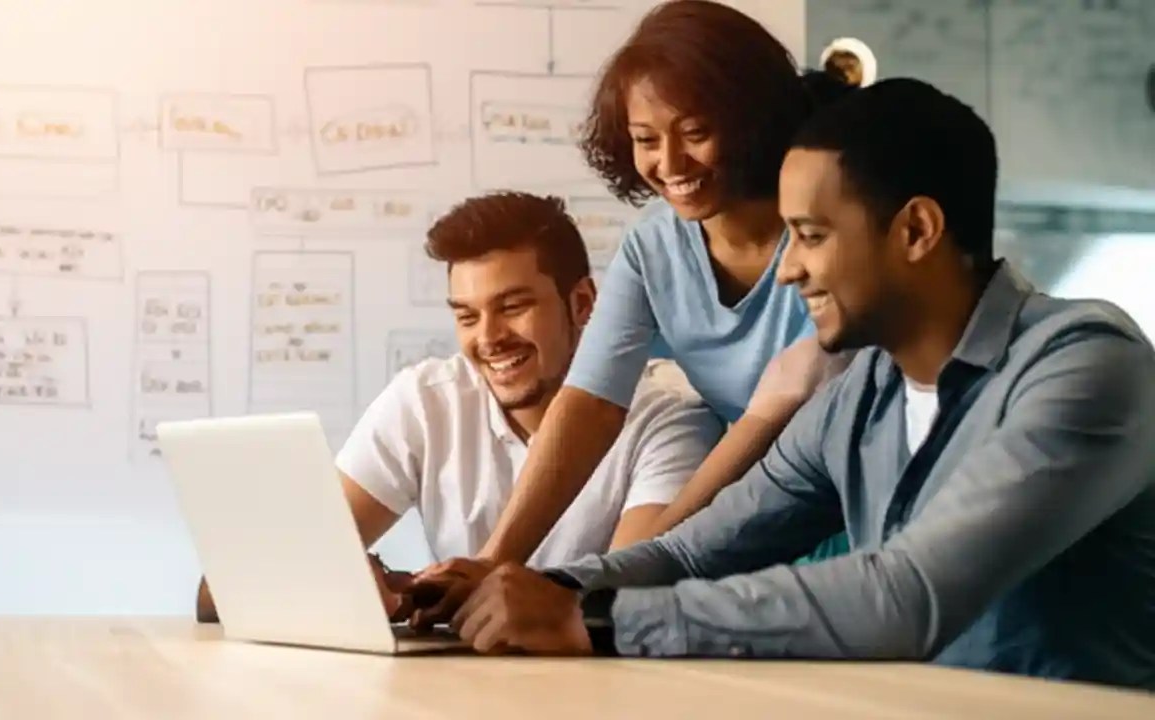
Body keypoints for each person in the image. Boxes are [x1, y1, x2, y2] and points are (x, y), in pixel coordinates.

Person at [433, 78, 1155, 689]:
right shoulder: (863, 392)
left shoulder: (1085, 366)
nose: (787, 270)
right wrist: (538, 589)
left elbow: (906, 595)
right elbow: (693, 551)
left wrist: (592, 618)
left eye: (810, 236)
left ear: (916, 231)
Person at [409, 0, 856, 622]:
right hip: (744, 528)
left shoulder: (822, 230)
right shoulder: (655, 247)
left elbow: (776, 415)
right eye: (646, 140)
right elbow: (588, 404)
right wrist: (495, 559)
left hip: (852, 519)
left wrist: (627, 568)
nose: (669, 166)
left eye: (695, 133)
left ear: (752, 120)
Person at [195, 191, 722, 623]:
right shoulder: (425, 402)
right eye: (467, 316)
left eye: (513, 307)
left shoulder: (667, 417)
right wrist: (358, 587)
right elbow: (220, 592)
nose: (489, 338)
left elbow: (630, 592)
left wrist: (492, 582)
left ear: (582, 304)